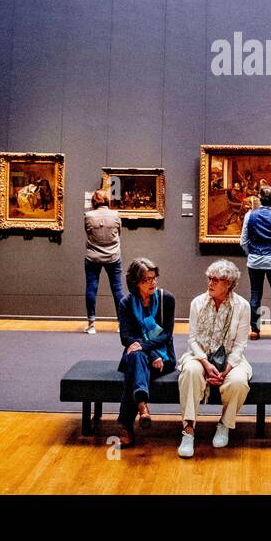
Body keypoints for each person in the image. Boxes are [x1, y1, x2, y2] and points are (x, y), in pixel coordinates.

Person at [177, 260, 253, 458]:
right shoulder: (197, 303)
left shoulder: (242, 306)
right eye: (209, 278)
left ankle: (224, 424)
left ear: (228, 283)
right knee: (191, 372)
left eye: (216, 280)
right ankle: (188, 430)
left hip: (230, 358)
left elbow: (240, 344)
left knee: (238, 382)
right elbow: (192, 339)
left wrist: (226, 369)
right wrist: (205, 362)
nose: (210, 283)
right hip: (199, 355)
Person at [116, 257, 176, 447]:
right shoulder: (126, 303)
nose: (152, 283)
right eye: (146, 280)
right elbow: (126, 338)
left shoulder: (167, 299)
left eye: (153, 278)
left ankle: (127, 424)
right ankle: (141, 406)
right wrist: (151, 354)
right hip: (144, 356)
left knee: (135, 363)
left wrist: (149, 351)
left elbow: (166, 335)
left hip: (164, 357)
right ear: (135, 282)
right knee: (136, 357)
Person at [240, 184, 271, 341]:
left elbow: (243, 241)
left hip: (254, 261)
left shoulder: (249, 216)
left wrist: (252, 253)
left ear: (260, 198)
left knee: (255, 296)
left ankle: (255, 330)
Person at [83, 188, 125, 335]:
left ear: (94, 201)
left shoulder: (88, 215)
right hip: (113, 256)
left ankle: (91, 324)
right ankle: (122, 324)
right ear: (107, 200)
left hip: (92, 257)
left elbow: (87, 232)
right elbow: (119, 232)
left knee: (91, 288)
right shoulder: (115, 215)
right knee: (118, 290)